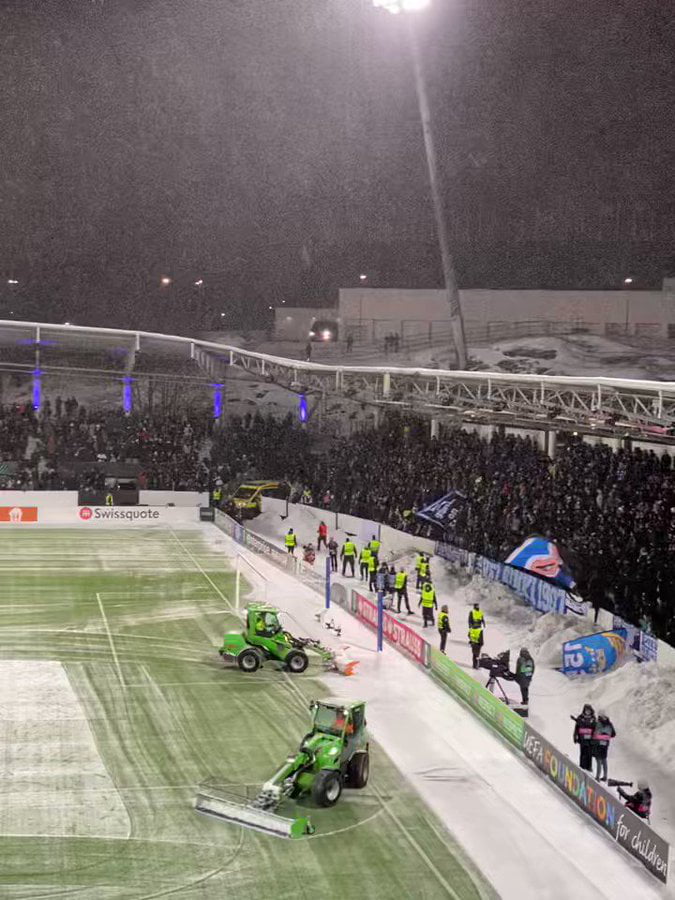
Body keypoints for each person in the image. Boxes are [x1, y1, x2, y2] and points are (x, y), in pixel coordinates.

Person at [592, 712, 616, 782]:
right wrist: (606, 736)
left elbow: (594, 732)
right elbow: (613, 734)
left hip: (598, 743)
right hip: (605, 744)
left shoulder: (598, 723)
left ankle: (597, 777)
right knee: (604, 759)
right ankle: (605, 776)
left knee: (599, 760)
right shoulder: (610, 724)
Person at [573, 704, 596, 772]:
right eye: (586, 710)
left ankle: (589, 767)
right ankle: (582, 766)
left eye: (589, 711)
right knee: (583, 753)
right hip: (582, 739)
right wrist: (575, 736)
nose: (587, 712)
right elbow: (576, 728)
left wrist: (594, 738)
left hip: (590, 739)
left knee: (589, 753)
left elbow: (595, 729)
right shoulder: (580, 717)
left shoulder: (593, 718)